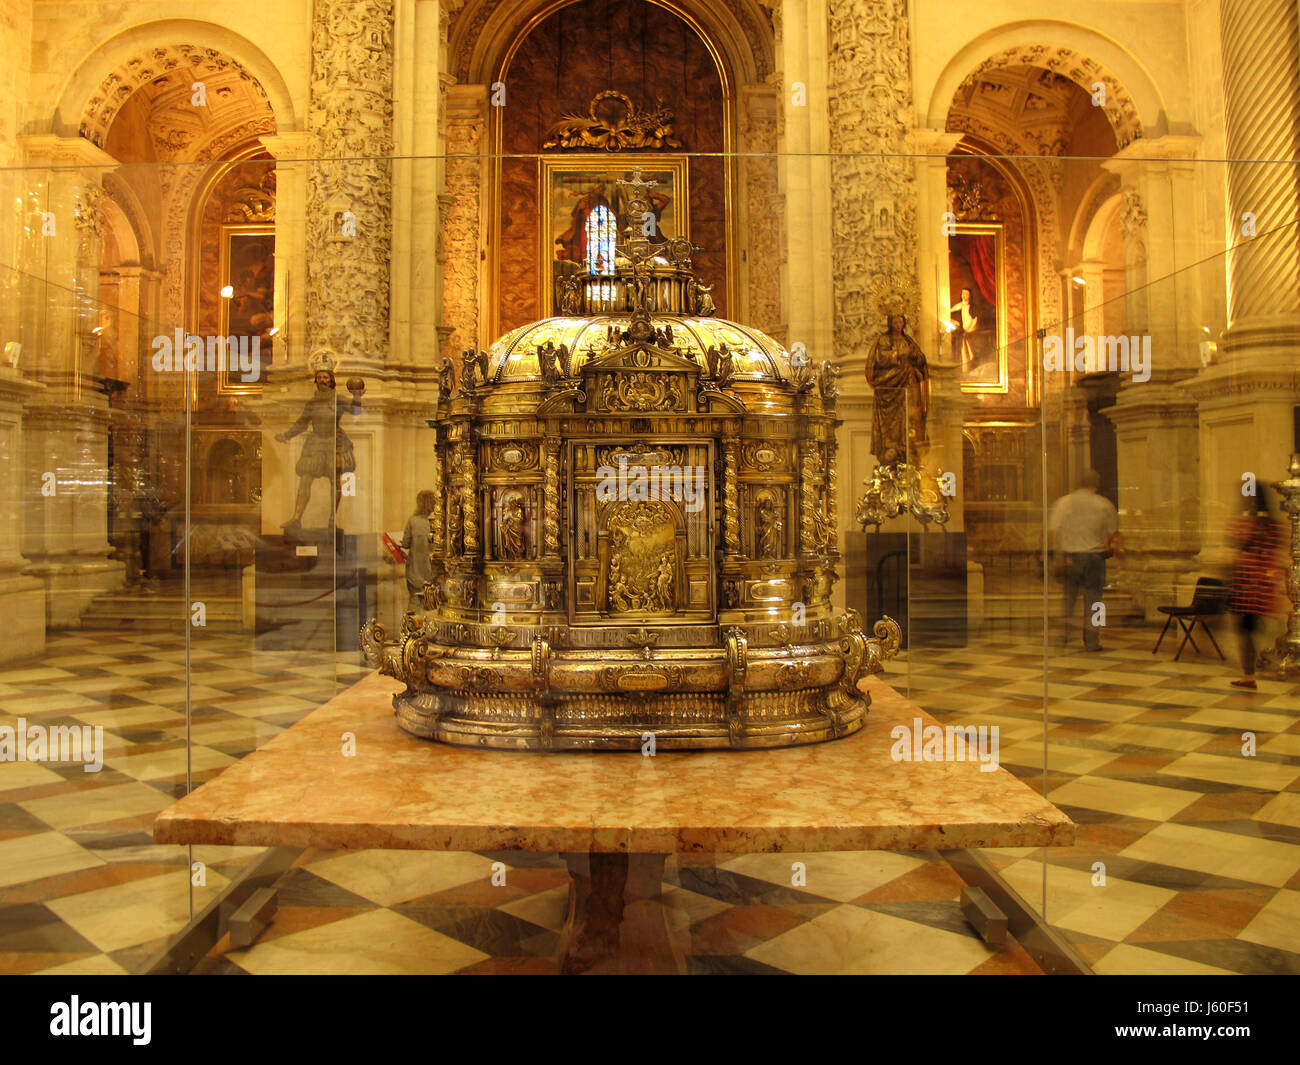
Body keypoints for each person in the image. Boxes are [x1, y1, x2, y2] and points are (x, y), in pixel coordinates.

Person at [276, 368, 362, 530]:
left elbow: (355, 411)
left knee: (335, 481)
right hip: (315, 442)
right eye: (319, 378)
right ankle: (296, 518)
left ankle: (332, 519)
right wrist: (287, 435)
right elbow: (302, 423)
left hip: (335, 441)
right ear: (316, 381)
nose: (322, 380)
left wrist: (357, 397)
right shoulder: (312, 403)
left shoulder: (339, 399)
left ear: (331, 381)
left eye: (325, 377)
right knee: (305, 479)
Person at [1049, 470, 1120, 652]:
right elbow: (1113, 535)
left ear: (1078, 482)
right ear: (1096, 484)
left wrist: (1058, 556)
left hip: (1070, 557)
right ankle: (1092, 640)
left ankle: (1064, 634)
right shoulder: (1104, 505)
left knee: (1069, 598)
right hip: (1095, 558)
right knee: (1096, 601)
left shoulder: (1064, 503)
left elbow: (1054, 531)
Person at [1226, 493, 1284, 689]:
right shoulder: (1271, 527)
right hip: (1259, 589)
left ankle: (1249, 675)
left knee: (1245, 633)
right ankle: (1250, 673)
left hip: (1247, 589)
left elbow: (1235, 541)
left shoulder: (1250, 525)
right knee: (1249, 632)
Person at [864, 314, 929, 465]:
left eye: (901, 321)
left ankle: (907, 447)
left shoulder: (908, 340)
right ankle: (891, 449)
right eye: (895, 321)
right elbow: (880, 359)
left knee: (908, 417)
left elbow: (921, 360)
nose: (898, 324)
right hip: (889, 389)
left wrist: (915, 355)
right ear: (890, 323)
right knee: (891, 424)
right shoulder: (883, 340)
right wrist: (899, 354)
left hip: (909, 387)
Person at [401, 491, 435, 609]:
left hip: (415, 570)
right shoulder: (438, 521)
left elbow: (405, 543)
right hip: (433, 572)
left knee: (415, 604)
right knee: (433, 604)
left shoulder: (413, 521)